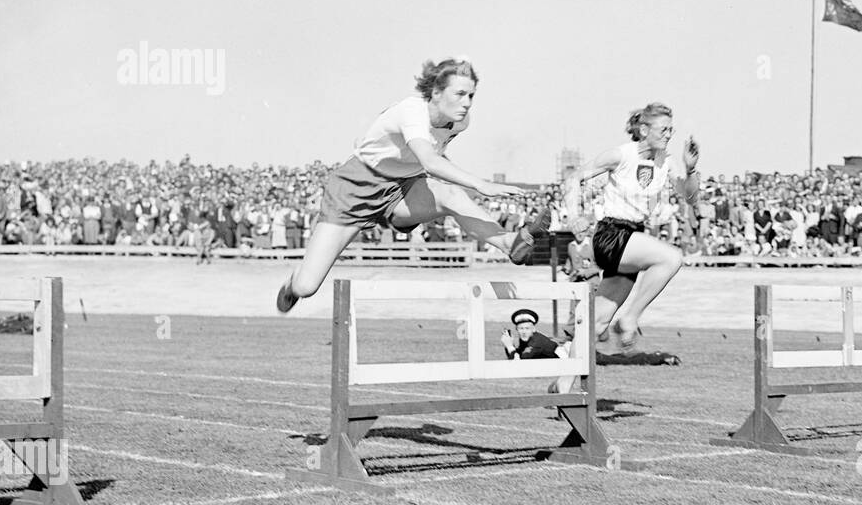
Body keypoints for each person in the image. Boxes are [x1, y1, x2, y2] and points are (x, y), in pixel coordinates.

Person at [276, 58, 545, 312]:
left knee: (452, 194)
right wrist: (481, 184)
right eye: (459, 94)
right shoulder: (412, 111)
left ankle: (510, 243)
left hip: (403, 187)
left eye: (471, 95)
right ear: (436, 93)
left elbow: (433, 155)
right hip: (355, 189)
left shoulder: (460, 122)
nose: (466, 103)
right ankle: (293, 283)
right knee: (306, 286)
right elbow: (429, 160)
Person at [565, 102, 700, 349]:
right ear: (644, 130)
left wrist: (691, 169)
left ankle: (564, 382)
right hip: (610, 235)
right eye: (663, 129)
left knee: (596, 325)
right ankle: (630, 318)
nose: (669, 135)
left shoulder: (666, 161)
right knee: (671, 258)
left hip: (632, 241)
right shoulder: (620, 155)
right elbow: (573, 179)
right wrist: (574, 217)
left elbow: (690, 197)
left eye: (672, 130)